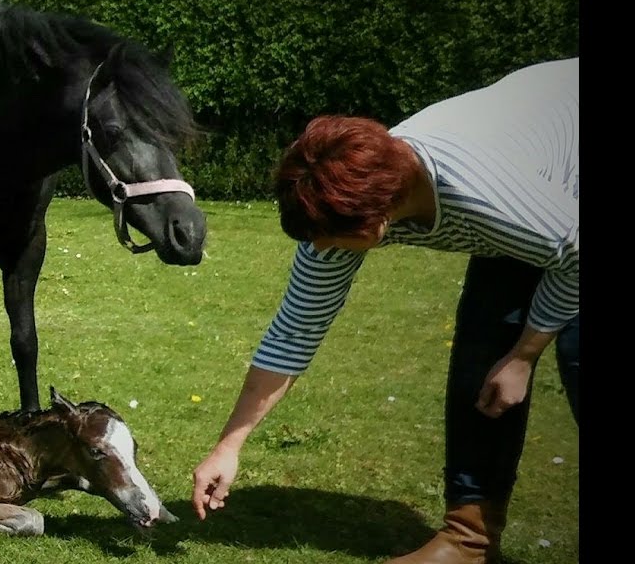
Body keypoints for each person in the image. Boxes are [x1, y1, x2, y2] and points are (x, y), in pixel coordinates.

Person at [190, 57, 579, 564]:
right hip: (537, 185)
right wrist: (229, 446)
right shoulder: (334, 211)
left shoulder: (485, 197)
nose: (322, 250)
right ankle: (469, 539)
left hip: (561, 173)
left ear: (378, 221)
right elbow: (295, 331)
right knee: (482, 368)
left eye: (333, 239)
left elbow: (574, 249)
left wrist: (526, 354)